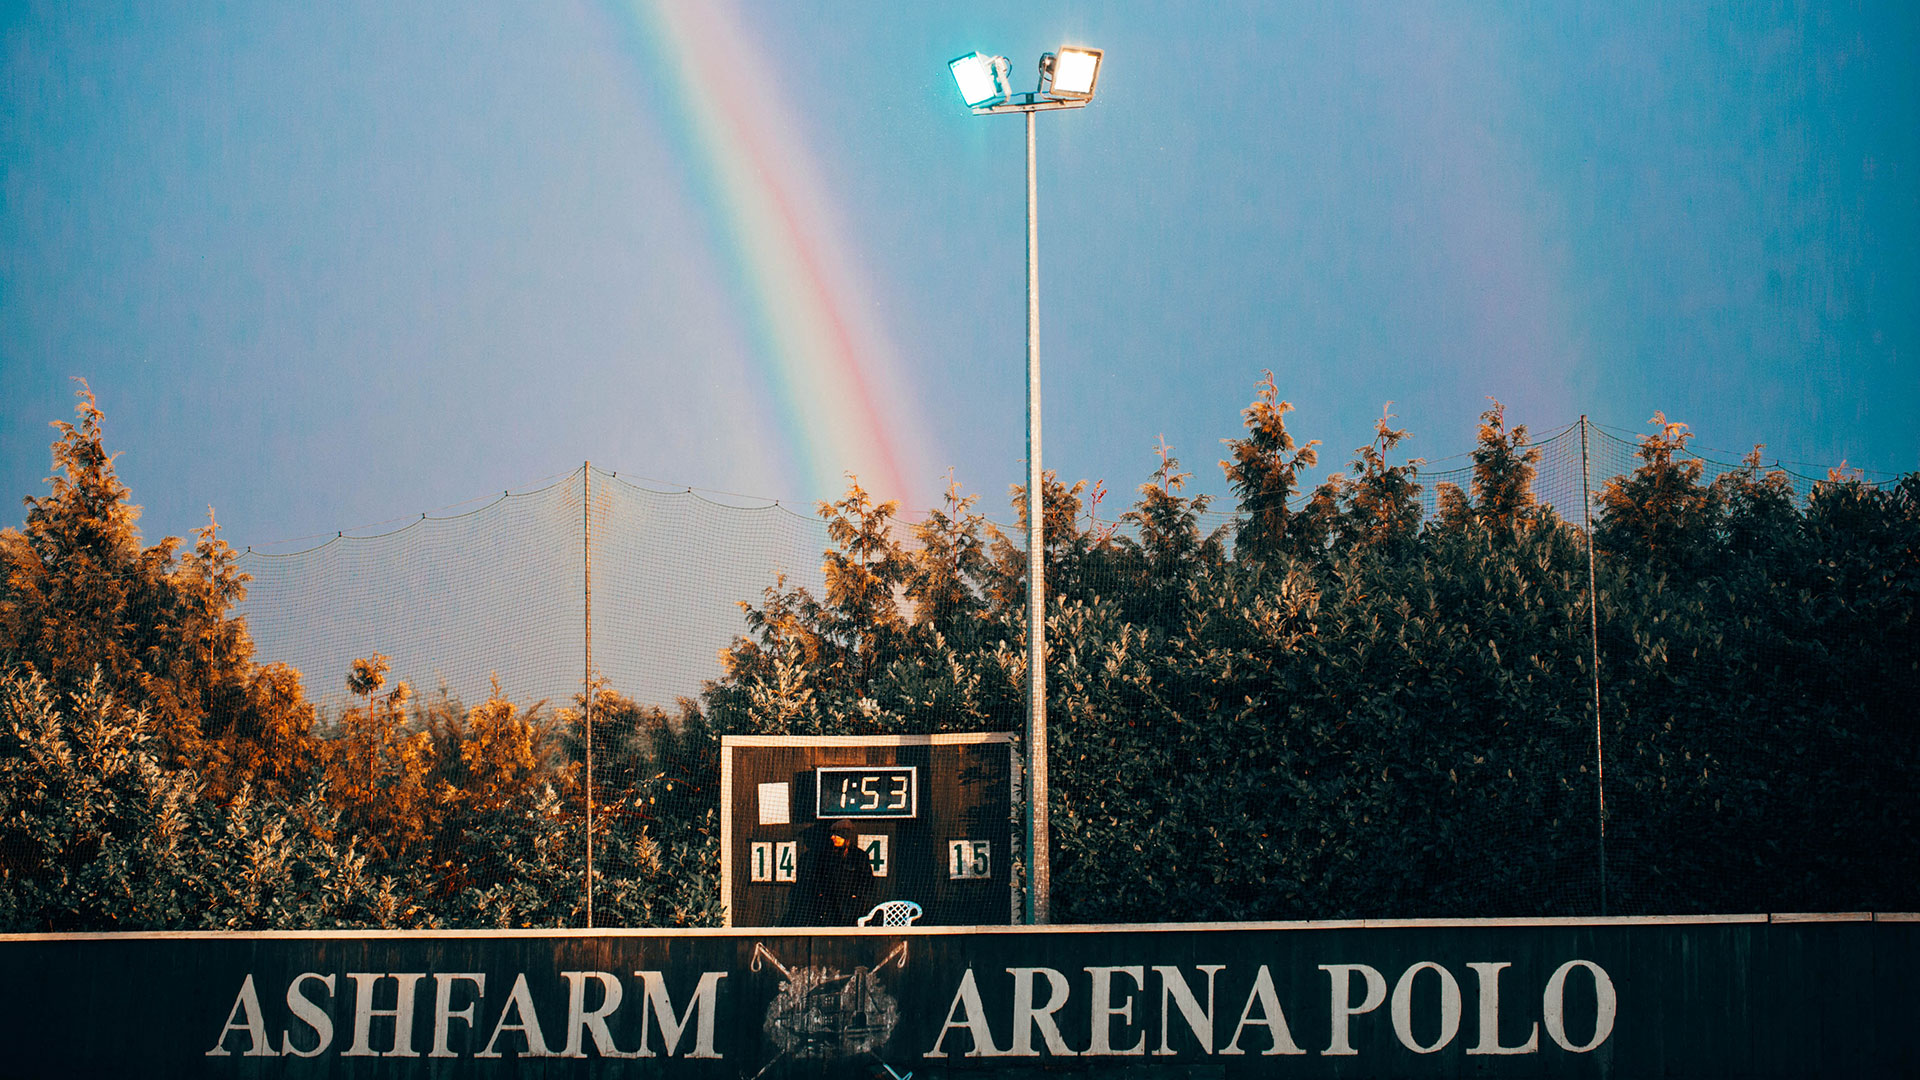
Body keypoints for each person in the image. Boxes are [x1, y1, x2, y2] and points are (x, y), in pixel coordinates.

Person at [795, 818, 874, 925]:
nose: (832, 837)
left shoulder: (859, 856)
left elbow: (867, 881)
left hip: (851, 910)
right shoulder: (825, 855)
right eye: (832, 834)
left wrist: (856, 897)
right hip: (829, 909)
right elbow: (818, 879)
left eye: (836, 835)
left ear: (845, 836)